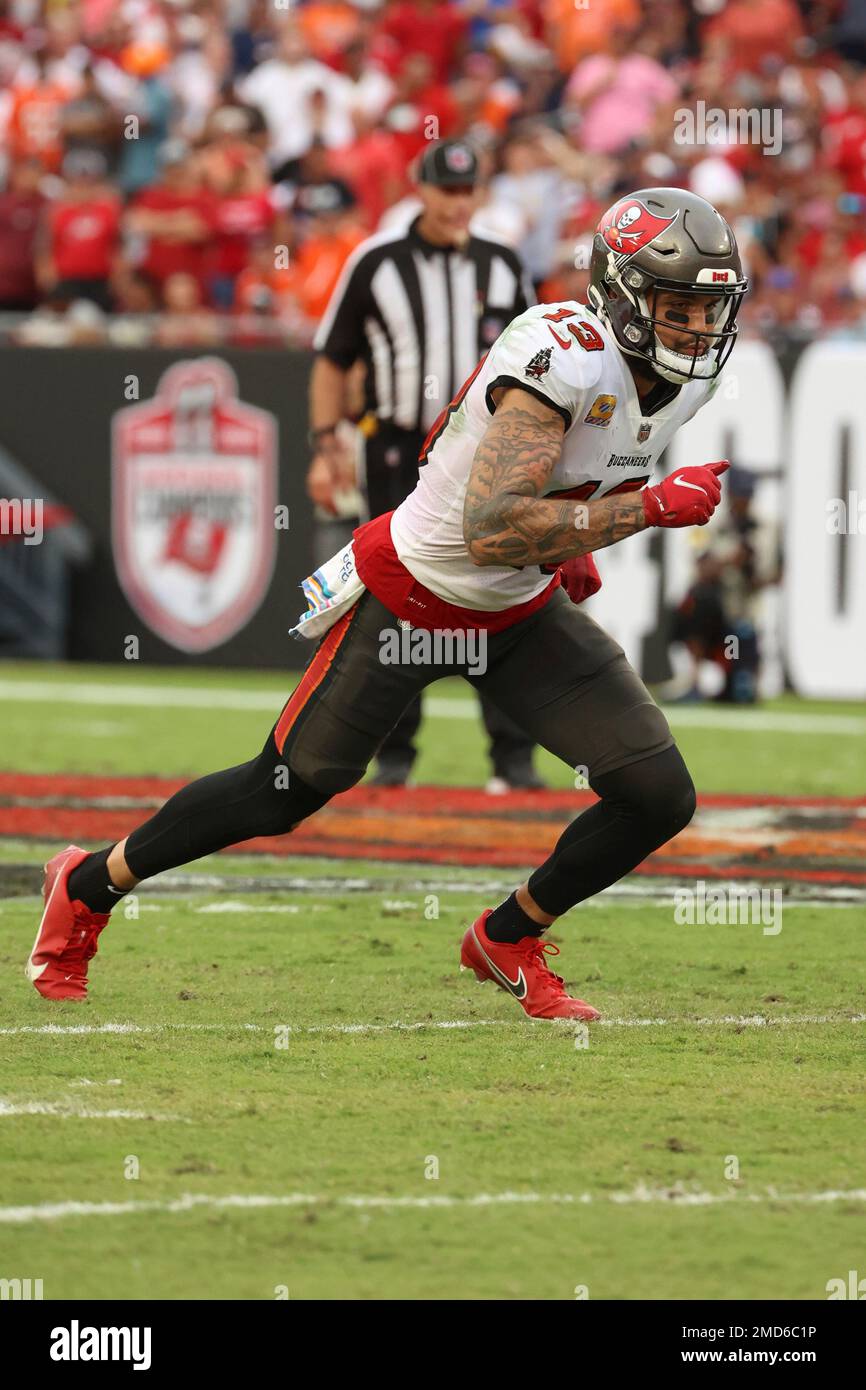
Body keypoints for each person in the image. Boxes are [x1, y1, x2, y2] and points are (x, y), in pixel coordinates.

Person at [25, 187, 747, 1022]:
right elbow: (490, 526)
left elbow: (568, 479)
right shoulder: (562, 354)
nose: (698, 327)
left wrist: (574, 542)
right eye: (679, 306)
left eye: (709, 308)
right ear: (620, 293)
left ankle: (508, 935)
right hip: (416, 599)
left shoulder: (681, 379)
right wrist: (648, 509)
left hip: (515, 613)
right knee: (284, 789)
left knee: (657, 793)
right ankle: (85, 885)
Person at [308, 137, 543, 790]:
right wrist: (327, 443)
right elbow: (333, 357)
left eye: (469, 190)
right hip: (397, 450)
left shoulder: (503, 264)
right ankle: (393, 758)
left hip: (486, 457)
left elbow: (540, 359)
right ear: (422, 189)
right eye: (448, 189)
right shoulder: (376, 262)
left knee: (496, 597)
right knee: (396, 602)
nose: (459, 203)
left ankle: (512, 758)